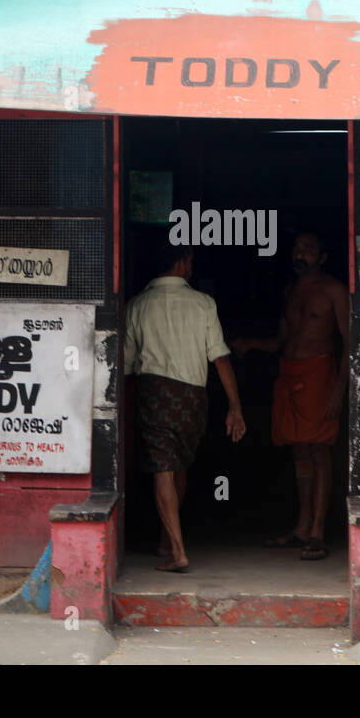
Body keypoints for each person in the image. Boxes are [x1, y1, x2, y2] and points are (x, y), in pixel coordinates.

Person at [125, 239, 245, 572]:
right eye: (190, 259)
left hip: (155, 394)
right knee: (178, 466)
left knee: (163, 467)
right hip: (194, 397)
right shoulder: (203, 303)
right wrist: (235, 406)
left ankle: (176, 549)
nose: (192, 265)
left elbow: (126, 364)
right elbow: (221, 359)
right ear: (181, 263)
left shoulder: (137, 305)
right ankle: (169, 543)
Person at [231, 231, 348, 561]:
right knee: (299, 451)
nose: (302, 255)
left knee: (319, 450)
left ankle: (318, 532)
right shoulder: (290, 291)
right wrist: (250, 343)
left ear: (322, 257)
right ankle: (302, 526)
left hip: (320, 374)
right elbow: (283, 341)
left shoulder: (335, 291)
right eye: (298, 249)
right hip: (290, 373)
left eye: (310, 250)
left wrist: (339, 391)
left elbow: (350, 342)